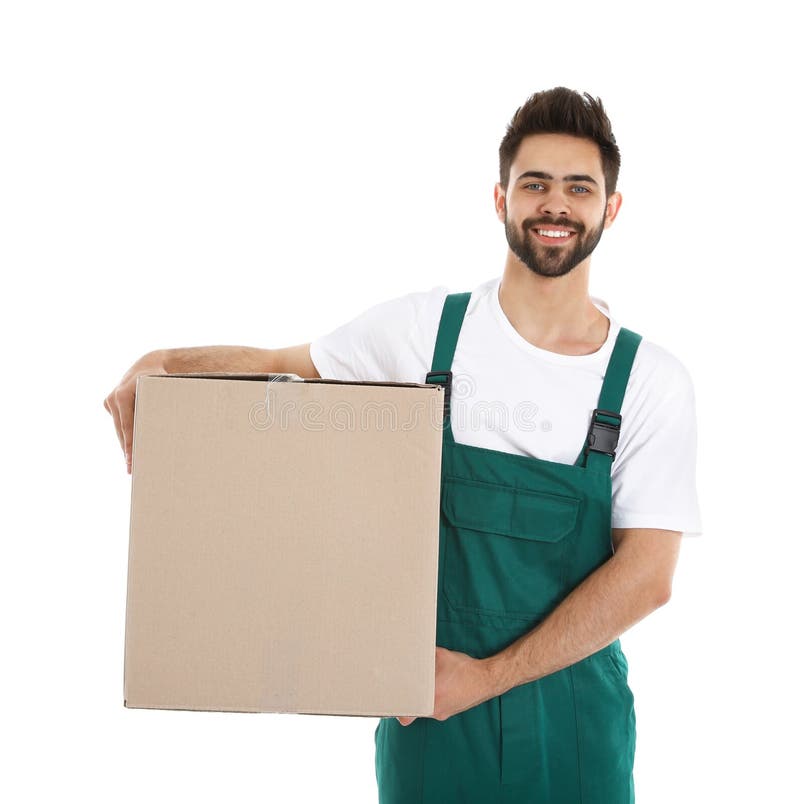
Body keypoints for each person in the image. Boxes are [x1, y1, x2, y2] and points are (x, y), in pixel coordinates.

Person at [104, 87, 701, 803]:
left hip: (574, 726)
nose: (555, 204)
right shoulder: (426, 334)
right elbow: (282, 366)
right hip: (427, 719)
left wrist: (486, 678)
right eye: (534, 183)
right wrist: (165, 363)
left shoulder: (648, 381)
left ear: (611, 207)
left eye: (579, 187)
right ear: (500, 197)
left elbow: (648, 576)